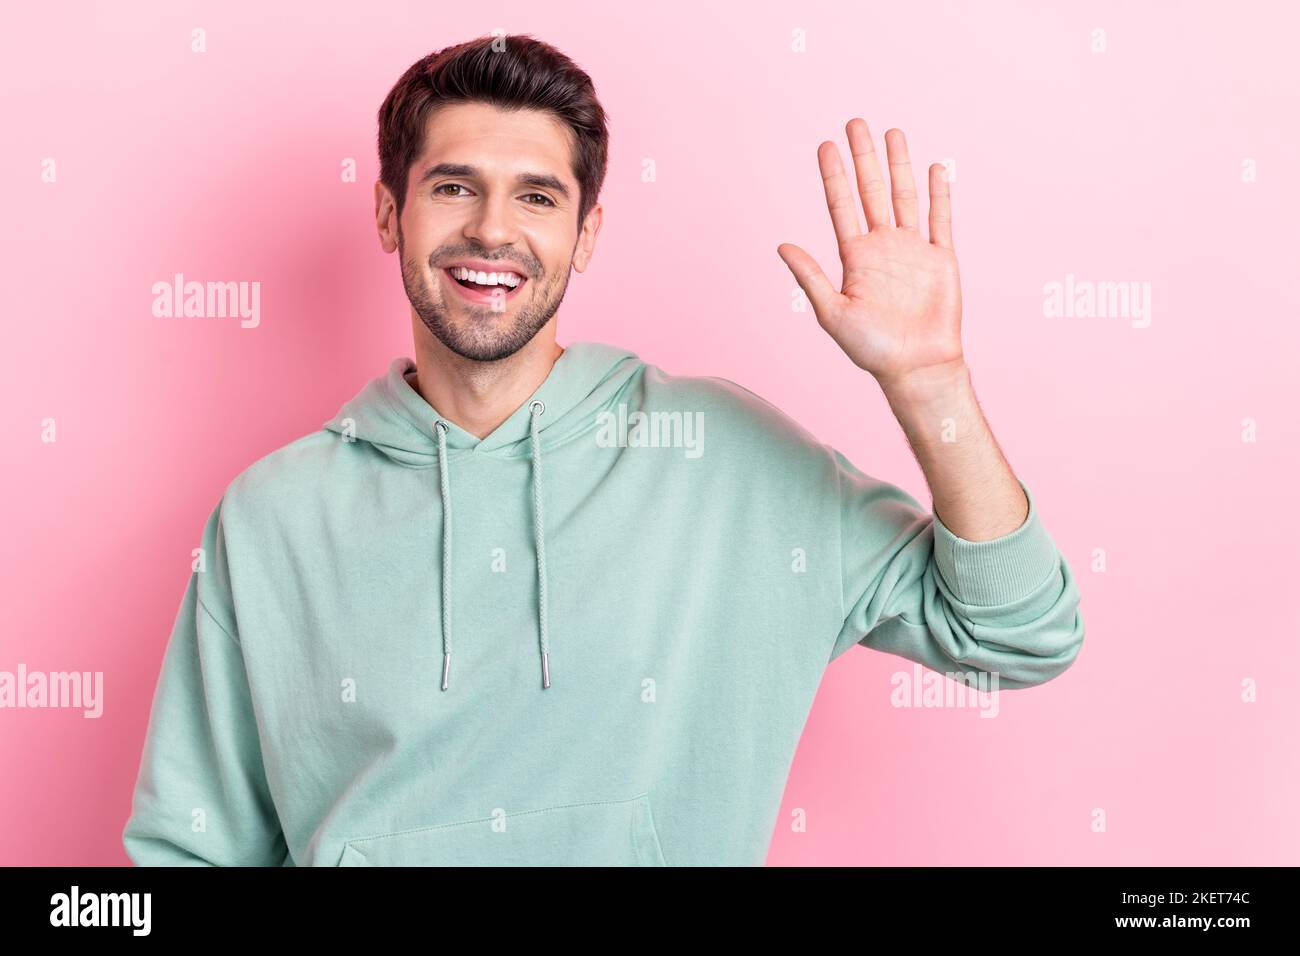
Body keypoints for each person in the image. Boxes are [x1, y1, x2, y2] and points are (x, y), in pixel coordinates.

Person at [122, 33, 1084, 867]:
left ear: (585, 235)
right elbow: (187, 850)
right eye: (453, 187)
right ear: (389, 215)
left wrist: (930, 384)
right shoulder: (269, 517)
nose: (493, 230)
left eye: (537, 197)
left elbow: (1016, 634)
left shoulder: (726, 461)